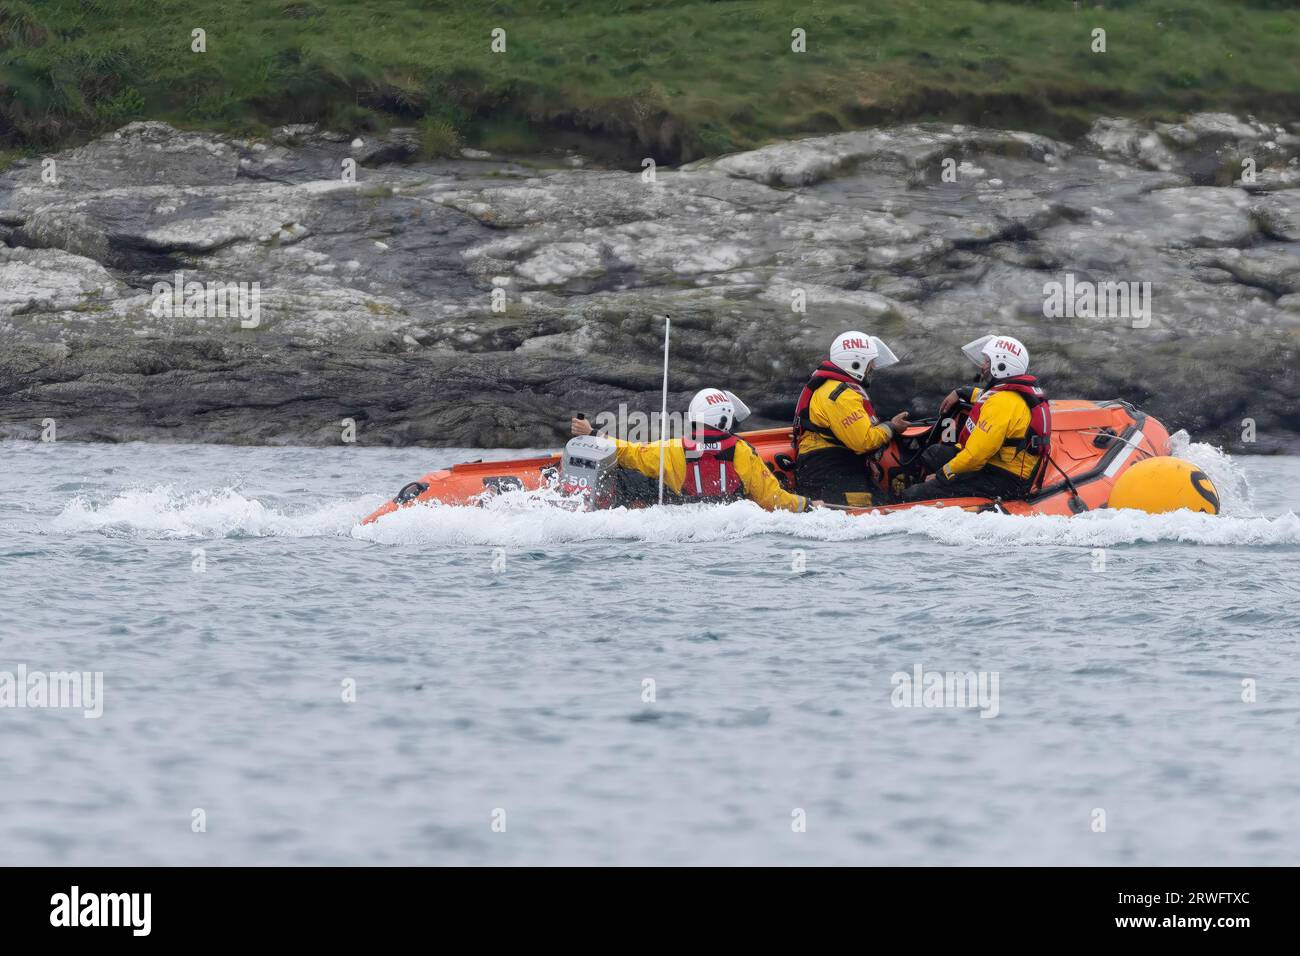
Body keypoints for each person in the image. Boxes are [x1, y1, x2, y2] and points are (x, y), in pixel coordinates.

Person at [569, 388, 819, 512]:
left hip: (687, 521)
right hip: (733, 526)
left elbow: (630, 452)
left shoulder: (674, 449)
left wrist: (593, 433)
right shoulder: (742, 451)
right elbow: (772, 499)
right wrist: (807, 505)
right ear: (726, 418)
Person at [899, 334, 1051, 503]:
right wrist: (962, 391)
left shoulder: (1002, 403)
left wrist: (942, 476)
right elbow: (986, 397)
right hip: (997, 465)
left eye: (987, 361)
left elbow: (975, 457)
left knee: (914, 495)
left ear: (1001, 365)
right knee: (934, 454)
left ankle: (909, 497)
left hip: (1004, 479)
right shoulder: (1010, 395)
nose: (982, 365)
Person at [792, 330, 910, 506]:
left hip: (826, 465)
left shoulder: (828, 387)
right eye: (870, 363)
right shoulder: (842, 395)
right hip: (830, 469)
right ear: (857, 362)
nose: (872, 368)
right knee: (876, 513)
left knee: (883, 503)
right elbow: (863, 441)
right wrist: (891, 427)